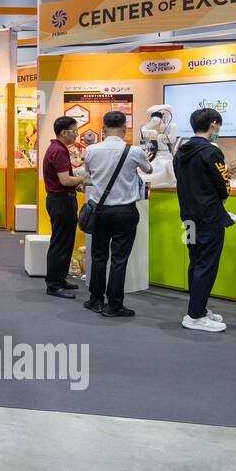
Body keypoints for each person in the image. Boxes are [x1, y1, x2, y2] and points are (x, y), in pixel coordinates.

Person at [82, 110, 153, 317]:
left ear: (103, 129)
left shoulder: (91, 150)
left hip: (99, 211)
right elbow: (148, 170)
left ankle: (95, 299)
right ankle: (114, 305)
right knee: (119, 259)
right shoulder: (134, 151)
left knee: (98, 256)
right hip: (125, 212)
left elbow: (89, 173)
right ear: (124, 129)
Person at [173, 107, 232, 333]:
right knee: (206, 264)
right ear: (214, 124)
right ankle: (195, 315)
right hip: (209, 218)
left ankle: (198, 308)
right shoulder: (211, 152)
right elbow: (224, 184)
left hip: (188, 216)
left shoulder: (181, 151)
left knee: (195, 261)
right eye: (219, 125)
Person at [42, 116, 90, 299]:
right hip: (61, 201)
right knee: (60, 243)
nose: (77, 134)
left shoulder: (57, 148)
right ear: (64, 132)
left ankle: (60, 279)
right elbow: (65, 180)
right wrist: (83, 178)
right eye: (74, 131)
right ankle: (53, 284)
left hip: (61, 199)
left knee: (65, 241)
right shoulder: (59, 151)